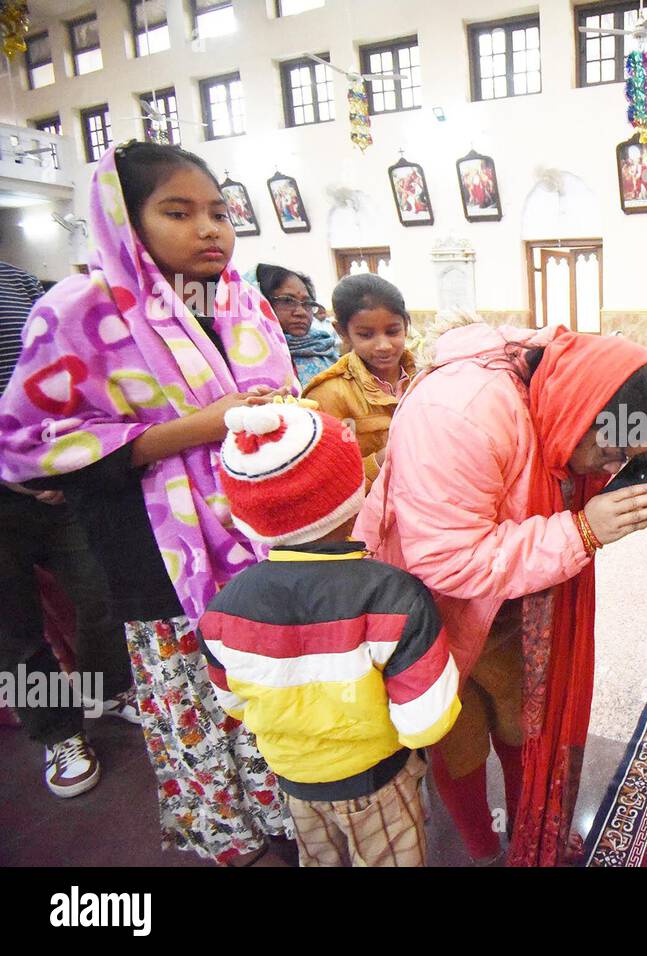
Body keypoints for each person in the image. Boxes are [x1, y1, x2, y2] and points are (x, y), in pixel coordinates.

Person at [0, 141, 297, 865]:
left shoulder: (235, 299)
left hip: (243, 530)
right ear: (121, 218)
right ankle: (215, 819)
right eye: (178, 211)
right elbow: (29, 440)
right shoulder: (78, 307)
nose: (209, 229)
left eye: (219, 212)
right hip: (148, 542)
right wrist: (198, 427)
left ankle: (281, 806)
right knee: (165, 681)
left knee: (255, 676)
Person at [354, 323, 647, 865]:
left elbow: (582, 469)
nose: (612, 471)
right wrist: (582, 531)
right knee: (458, 738)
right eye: (613, 452)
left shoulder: (560, 380)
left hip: (510, 592)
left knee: (525, 721)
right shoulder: (460, 415)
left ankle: (530, 835)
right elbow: (447, 558)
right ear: (582, 414)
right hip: (429, 608)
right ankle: (481, 849)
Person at [200, 401, 461, 867]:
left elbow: (234, 702)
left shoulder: (223, 610)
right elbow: (426, 721)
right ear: (355, 491)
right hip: (377, 781)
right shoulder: (395, 597)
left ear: (248, 518)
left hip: (295, 784)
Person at [0, 261, 137, 798]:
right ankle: (58, 733)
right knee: (13, 633)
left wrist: (61, 460)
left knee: (102, 595)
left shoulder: (15, 279)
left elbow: (73, 367)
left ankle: (107, 689)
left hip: (57, 479)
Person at [301, 273, 416, 493]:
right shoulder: (328, 395)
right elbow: (325, 480)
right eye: (366, 335)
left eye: (393, 331)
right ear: (342, 332)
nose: (383, 345)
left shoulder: (425, 378)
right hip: (368, 518)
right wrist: (381, 461)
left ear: (406, 325)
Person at [254, 263, 339, 389]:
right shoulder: (244, 356)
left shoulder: (322, 349)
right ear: (258, 303)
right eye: (287, 301)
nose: (301, 312)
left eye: (307, 303)